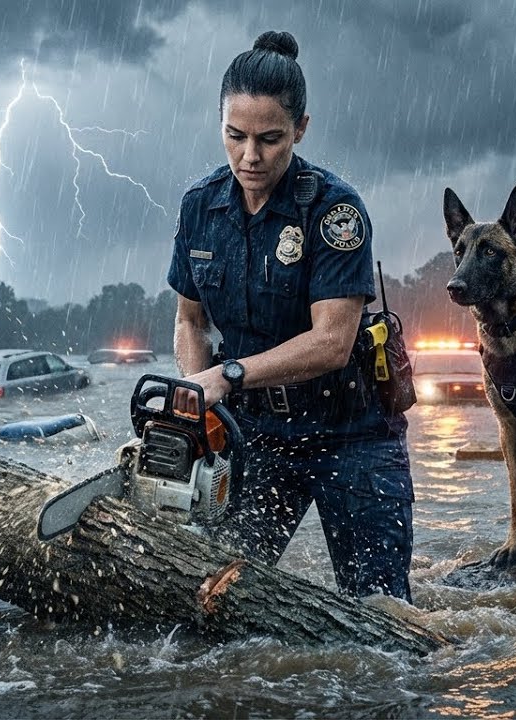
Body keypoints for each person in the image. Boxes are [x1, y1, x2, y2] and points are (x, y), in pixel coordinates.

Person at [166, 30, 413, 601]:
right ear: (220, 125)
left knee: (380, 617)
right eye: (236, 136)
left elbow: (331, 342)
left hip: (350, 431)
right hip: (257, 436)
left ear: (300, 129)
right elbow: (190, 322)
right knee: (222, 598)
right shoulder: (199, 208)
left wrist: (225, 376)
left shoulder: (334, 210)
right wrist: (191, 395)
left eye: (270, 139)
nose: (250, 157)